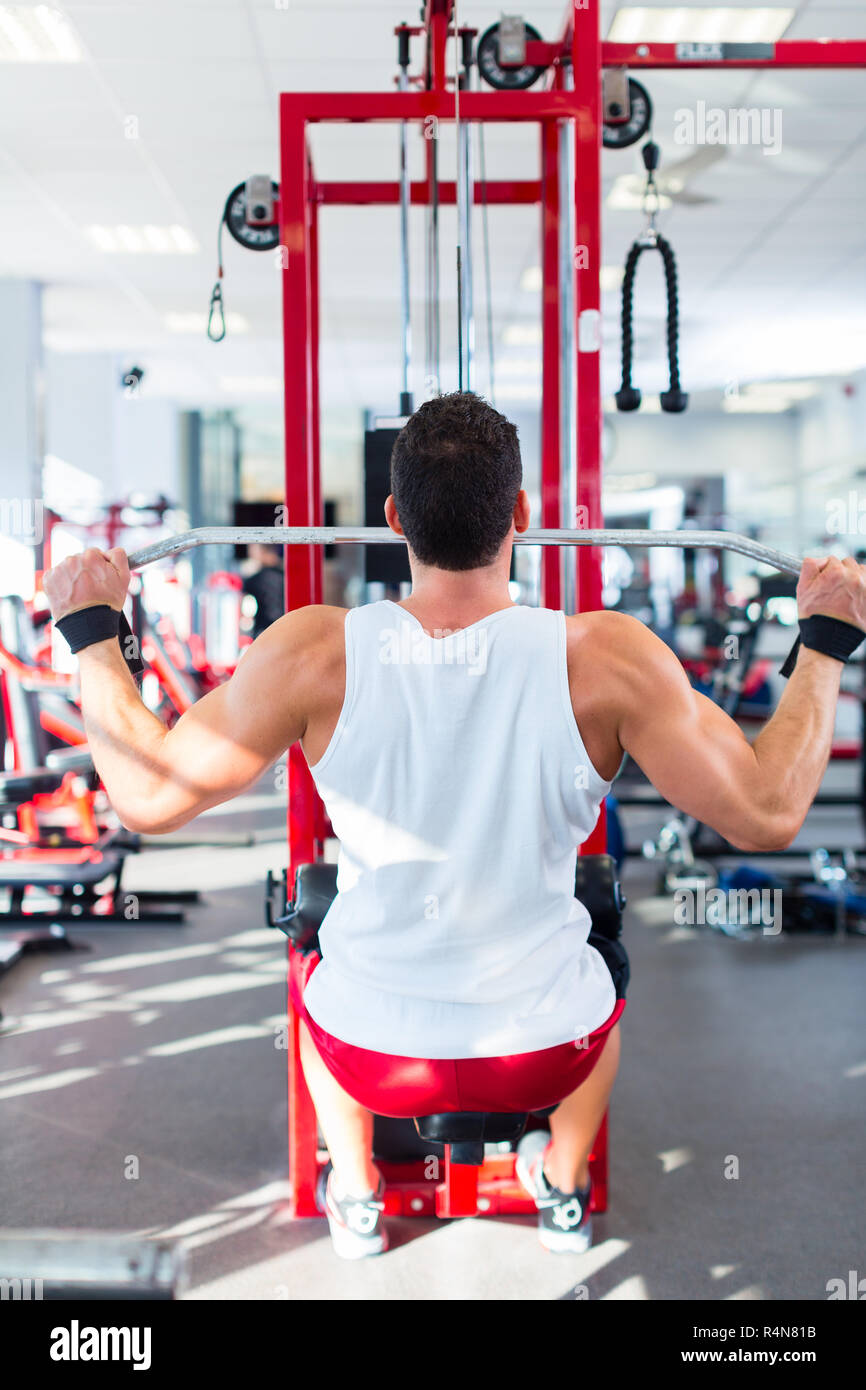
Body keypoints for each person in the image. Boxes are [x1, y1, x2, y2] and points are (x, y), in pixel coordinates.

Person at [44, 392, 866, 1260]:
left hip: (372, 1054)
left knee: (313, 964)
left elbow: (147, 796)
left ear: (395, 517)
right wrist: (825, 639)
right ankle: (560, 1183)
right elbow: (770, 811)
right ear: (520, 513)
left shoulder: (313, 650)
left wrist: (94, 630)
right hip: (546, 1052)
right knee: (605, 968)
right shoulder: (608, 657)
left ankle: (356, 1193)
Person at [242, 542, 285, 639]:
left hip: (263, 634)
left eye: (252, 551)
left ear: (262, 551)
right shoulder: (287, 576)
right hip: (286, 631)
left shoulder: (255, 580)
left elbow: (245, 610)